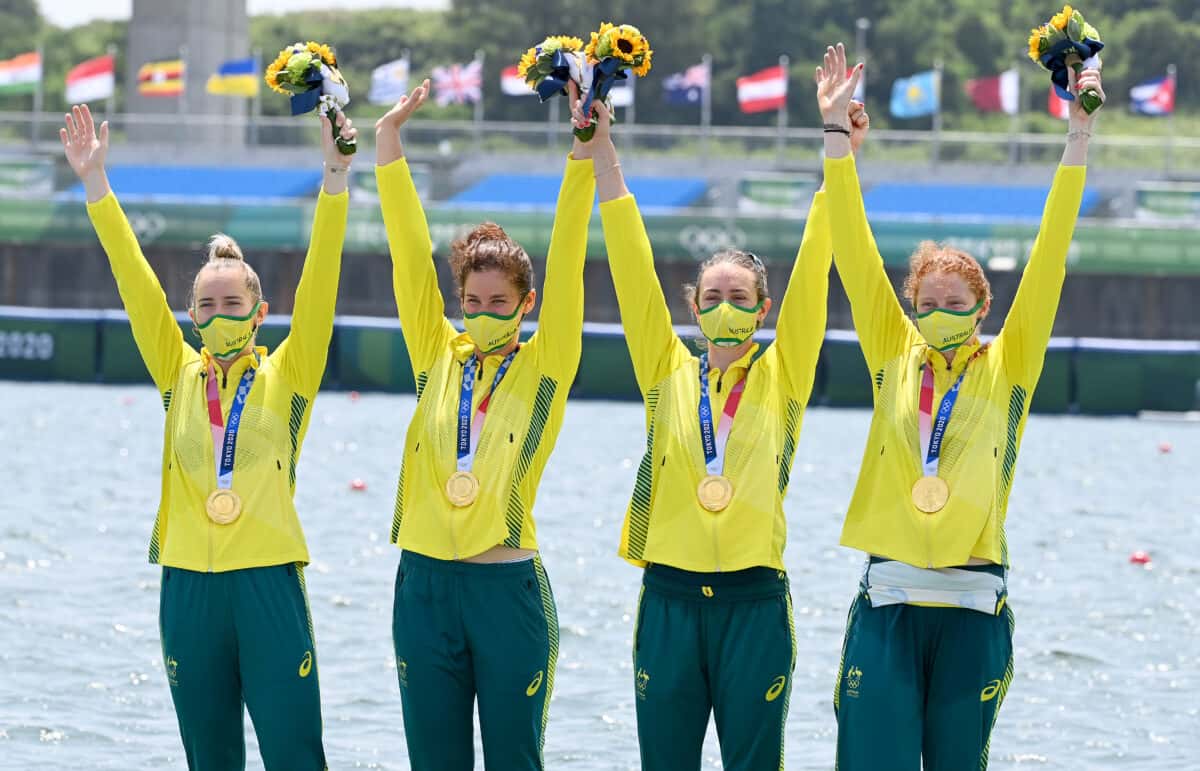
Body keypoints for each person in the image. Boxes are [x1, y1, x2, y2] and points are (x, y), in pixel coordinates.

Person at [814, 43, 1104, 768]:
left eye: (957, 303)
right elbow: (853, 248)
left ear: (983, 306)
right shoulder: (892, 348)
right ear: (909, 307)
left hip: (975, 604)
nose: (941, 312)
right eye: (928, 303)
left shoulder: (1011, 360)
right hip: (888, 599)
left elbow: (1052, 247)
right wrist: (834, 141)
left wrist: (1079, 133)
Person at [62, 102, 356, 769]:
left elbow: (322, 280)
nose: (220, 314)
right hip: (187, 586)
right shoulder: (177, 371)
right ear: (191, 314)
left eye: (233, 303)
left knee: (293, 754)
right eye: (208, 304)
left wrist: (334, 178)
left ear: (260, 312)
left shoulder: (291, 372)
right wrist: (96, 184)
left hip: (266, 584)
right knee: (209, 759)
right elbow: (133, 280)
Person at [589, 93, 868, 768]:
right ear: (692, 307)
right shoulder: (663, 368)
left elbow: (816, 261)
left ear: (763, 308)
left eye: (739, 298)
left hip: (755, 604)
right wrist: (601, 147)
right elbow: (629, 261)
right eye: (711, 298)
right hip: (669, 601)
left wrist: (839, 150)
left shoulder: (785, 372)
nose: (724, 308)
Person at [373, 79, 595, 771]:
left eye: (501, 301)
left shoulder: (547, 362)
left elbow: (572, 250)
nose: (485, 312)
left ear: (526, 304)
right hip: (423, 589)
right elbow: (410, 258)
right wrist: (388, 145)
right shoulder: (436, 352)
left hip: (507, 592)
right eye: (473, 300)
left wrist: (582, 153)